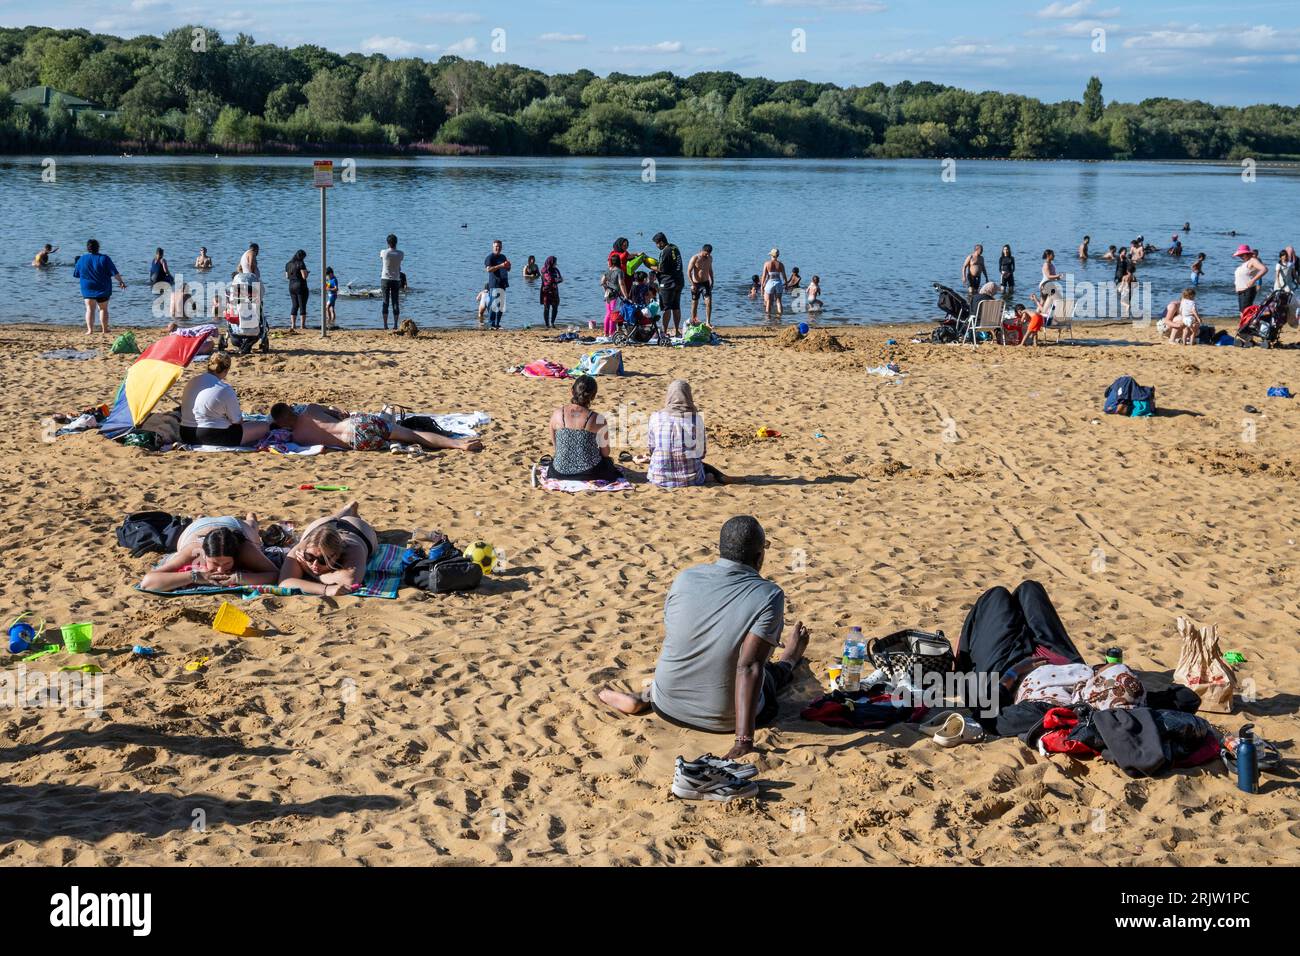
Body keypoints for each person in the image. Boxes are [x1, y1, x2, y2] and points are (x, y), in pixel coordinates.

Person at [597, 515, 811, 762]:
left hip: (665, 704)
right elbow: (749, 667)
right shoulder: (769, 594)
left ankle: (641, 698)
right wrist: (743, 741)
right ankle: (790, 658)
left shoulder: (685, 578)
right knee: (769, 675)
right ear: (759, 556)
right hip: (722, 719)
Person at [140, 515, 279, 592]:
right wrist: (194, 576)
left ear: (236, 556)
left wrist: (239, 578)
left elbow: (276, 575)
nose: (221, 570)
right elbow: (147, 582)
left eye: (227, 563)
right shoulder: (194, 551)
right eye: (215, 563)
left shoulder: (245, 550)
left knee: (252, 527)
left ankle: (251, 517)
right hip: (196, 528)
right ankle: (200, 518)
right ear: (204, 555)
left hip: (235, 525)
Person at [639, 380, 739, 487]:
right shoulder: (696, 419)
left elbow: (652, 449)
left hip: (658, 479)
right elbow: (701, 453)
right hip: (691, 480)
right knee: (703, 466)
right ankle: (717, 476)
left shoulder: (655, 417)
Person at [278, 501, 379, 596]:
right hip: (322, 524)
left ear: (337, 555)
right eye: (310, 557)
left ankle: (349, 511)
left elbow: (349, 582)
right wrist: (326, 589)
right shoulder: (303, 548)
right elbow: (284, 583)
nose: (314, 564)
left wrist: (310, 571)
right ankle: (347, 509)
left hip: (356, 528)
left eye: (322, 559)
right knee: (332, 520)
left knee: (340, 520)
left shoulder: (353, 549)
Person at [286, 403, 482, 452]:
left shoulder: (297, 438)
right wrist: (336, 411)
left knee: (396, 438)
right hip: (357, 424)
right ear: (292, 410)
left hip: (357, 442)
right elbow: (338, 413)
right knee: (412, 434)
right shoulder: (311, 409)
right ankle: (458, 445)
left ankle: (395, 443)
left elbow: (321, 448)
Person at [179, 352, 270, 447]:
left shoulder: (192, 382)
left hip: (186, 434)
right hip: (212, 435)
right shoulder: (224, 389)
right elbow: (237, 421)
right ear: (226, 370)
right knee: (264, 426)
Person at [547, 375, 621, 482]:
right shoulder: (598, 419)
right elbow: (605, 452)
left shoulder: (557, 414)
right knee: (608, 462)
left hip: (559, 470)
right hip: (589, 473)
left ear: (572, 391)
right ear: (593, 396)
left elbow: (556, 446)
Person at [72, 238, 126, 335]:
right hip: (103, 287)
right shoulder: (104, 258)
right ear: (98, 247)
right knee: (103, 309)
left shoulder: (82, 259)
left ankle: (90, 330)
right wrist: (121, 282)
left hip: (88, 288)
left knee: (89, 309)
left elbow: (76, 274)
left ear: (88, 248)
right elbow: (115, 273)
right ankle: (105, 330)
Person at [651, 231, 684, 338]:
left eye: (656, 244)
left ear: (661, 242)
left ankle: (664, 332)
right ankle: (677, 331)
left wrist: (650, 266)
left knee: (666, 308)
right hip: (679, 281)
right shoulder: (674, 247)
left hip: (668, 283)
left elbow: (661, 268)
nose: (657, 246)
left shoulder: (665, 251)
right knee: (676, 306)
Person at [484, 239, 511, 330]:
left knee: (501, 306)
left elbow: (507, 269)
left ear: (501, 247)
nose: (497, 248)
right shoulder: (490, 257)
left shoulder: (503, 257)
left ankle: (497, 324)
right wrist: (500, 266)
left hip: (503, 283)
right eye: (496, 246)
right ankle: (491, 324)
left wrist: (508, 266)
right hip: (494, 284)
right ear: (493, 247)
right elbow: (488, 269)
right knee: (494, 305)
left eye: (499, 246)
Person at [1233, 245, 1268, 312]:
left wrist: (1253, 280)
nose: (1241, 257)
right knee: (1242, 312)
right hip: (1241, 291)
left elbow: (1264, 269)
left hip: (1247, 290)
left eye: (1242, 255)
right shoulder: (1244, 263)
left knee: (1245, 312)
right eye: (1239, 255)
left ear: (1247, 254)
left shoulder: (1252, 260)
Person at [380, 233, 403, 331]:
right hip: (396, 279)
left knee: (385, 301)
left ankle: (385, 325)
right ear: (396, 243)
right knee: (395, 302)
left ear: (388, 243)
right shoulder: (400, 253)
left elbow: (382, 258)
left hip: (385, 278)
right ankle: (395, 325)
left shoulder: (384, 252)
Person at [687, 243, 714, 327]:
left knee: (708, 302)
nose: (707, 255)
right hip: (696, 284)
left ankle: (708, 322)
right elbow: (688, 272)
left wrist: (712, 281)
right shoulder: (695, 258)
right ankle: (693, 321)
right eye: (706, 253)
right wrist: (692, 284)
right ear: (702, 250)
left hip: (706, 283)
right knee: (694, 303)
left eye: (709, 254)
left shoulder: (710, 258)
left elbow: (710, 270)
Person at [760, 248, 787, 320]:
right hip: (778, 282)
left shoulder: (767, 263)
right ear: (778, 255)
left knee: (768, 301)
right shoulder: (781, 264)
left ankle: (768, 318)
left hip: (770, 282)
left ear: (771, 255)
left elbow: (764, 275)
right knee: (779, 301)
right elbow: (784, 275)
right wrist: (786, 284)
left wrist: (762, 286)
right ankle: (779, 317)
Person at [285, 249, 309, 330]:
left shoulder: (288, 264)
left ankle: (293, 325)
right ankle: (302, 325)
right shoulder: (301, 263)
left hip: (291, 286)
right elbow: (304, 276)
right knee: (302, 305)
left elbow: (287, 277)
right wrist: (307, 273)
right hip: (300, 285)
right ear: (302, 257)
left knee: (294, 305)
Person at [539, 255, 562, 328]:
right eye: (555, 262)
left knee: (555, 307)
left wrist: (555, 280)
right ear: (551, 263)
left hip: (554, 291)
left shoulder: (556, 270)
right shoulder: (544, 270)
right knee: (546, 308)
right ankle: (547, 325)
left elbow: (560, 279)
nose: (556, 264)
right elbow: (548, 279)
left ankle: (552, 323)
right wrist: (555, 280)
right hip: (546, 291)